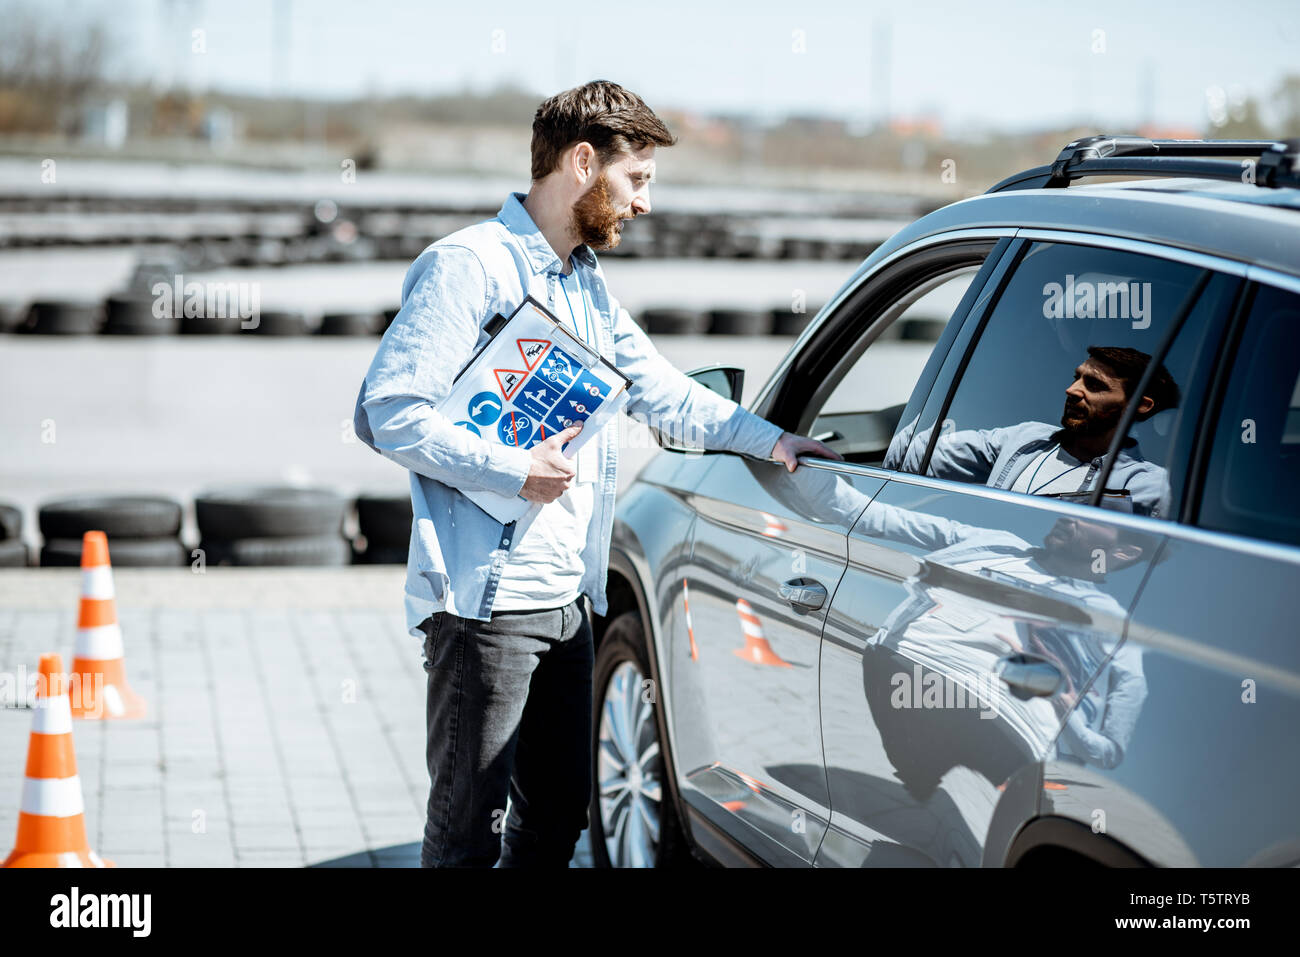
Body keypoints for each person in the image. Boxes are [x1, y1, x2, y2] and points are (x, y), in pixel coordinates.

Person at [351, 80, 840, 868]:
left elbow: (660, 389)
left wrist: (770, 439)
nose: (644, 203)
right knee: (464, 836)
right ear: (583, 162)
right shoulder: (468, 267)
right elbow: (387, 412)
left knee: (555, 823)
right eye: (636, 178)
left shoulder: (582, 282)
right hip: (486, 609)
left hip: (571, 603)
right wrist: (512, 469)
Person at [884, 346, 1180, 518]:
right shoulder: (1026, 440)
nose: (1072, 389)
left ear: (1140, 406)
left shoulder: (1149, 487)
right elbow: (914, 451)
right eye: (1077, 378)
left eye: (1094, 385)